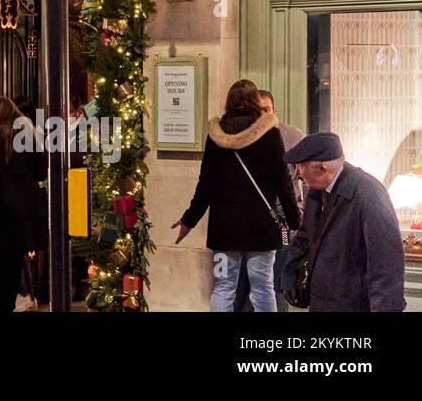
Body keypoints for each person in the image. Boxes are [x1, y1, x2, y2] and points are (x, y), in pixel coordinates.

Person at [172, 79, 301, 312]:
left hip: (224, 230)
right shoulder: (270, 134)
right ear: (254, 101)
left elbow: (205, 185)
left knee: (223, 286)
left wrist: (189, 220)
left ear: (229, 102)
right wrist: (295, 222)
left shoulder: (216, 135)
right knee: (263, 286)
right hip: (262, 229)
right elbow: (284, 183)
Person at [279, 132, 405, 312]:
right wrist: (289, 278)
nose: (297, 172)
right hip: (322, 302)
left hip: (353, 306)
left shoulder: (368, 195)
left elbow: (386, 267)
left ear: (321, 168)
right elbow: (304, 239)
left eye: (300, 166)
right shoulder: (317, 192)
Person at [235, 89, 306, 312]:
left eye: (267, 110)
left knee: (277, 285)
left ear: (275, 111)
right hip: (250, 224)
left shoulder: (294, 137)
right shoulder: (243, 139)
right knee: (244, 286)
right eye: (258, 111)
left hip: (283, 222)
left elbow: (303, 180)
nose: (263, 116)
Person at [0, 97, 47, 312]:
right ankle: (6, 306)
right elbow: (41, 170)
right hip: (21, 210)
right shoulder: (25, 133)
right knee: (14, 263)